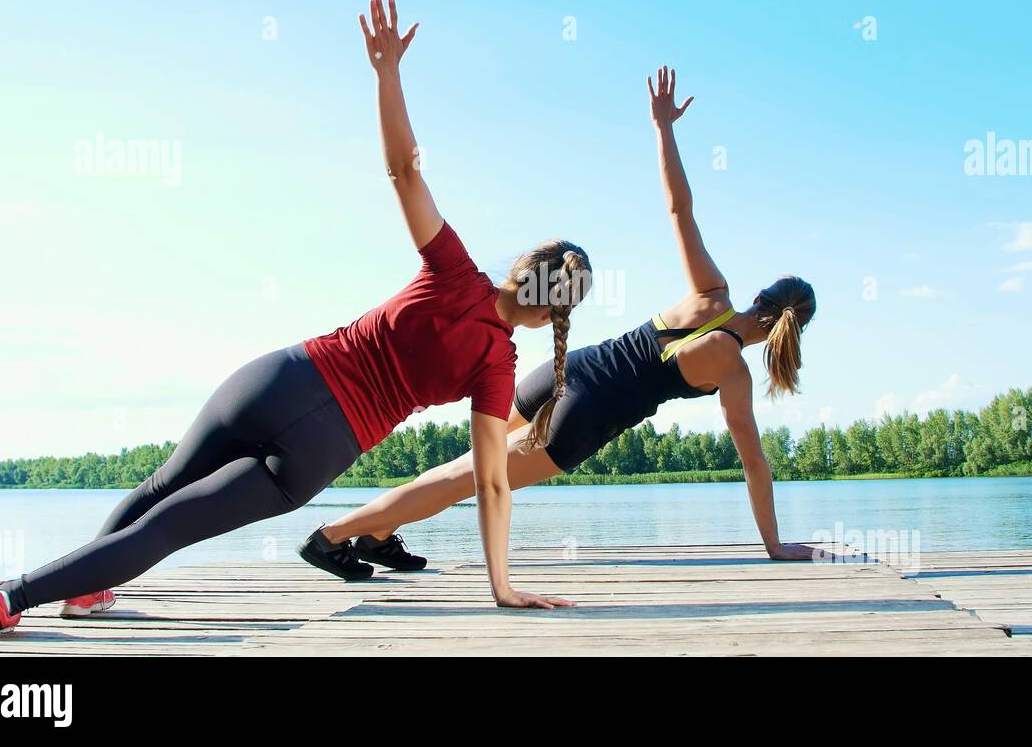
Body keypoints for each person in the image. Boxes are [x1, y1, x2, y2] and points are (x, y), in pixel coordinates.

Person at [0, 0, 592, 639]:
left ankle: (82, 590)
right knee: (171, 526)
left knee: (160, 489)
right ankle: (14, 595)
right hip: (323, 443)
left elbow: (404, 171)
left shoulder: (453, 268)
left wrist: (387, 73)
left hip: (276, 380)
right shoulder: (498, 362)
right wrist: (502, 586)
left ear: (519, 266)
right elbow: (490, 484)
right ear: (555, 313)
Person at [297, 65, 817, 580]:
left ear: (760, 296)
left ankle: (378, 535)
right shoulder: (734, 371)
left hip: (562, 370)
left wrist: (663, 128)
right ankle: (333, 536)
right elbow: (753, 464)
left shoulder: (711, 292)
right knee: (465, 478)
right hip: (583, 415)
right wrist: (774, 545)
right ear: (785, 335)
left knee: (460, 470)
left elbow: (680, 209)